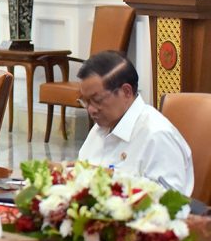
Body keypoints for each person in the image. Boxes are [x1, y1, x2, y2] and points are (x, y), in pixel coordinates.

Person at [77, 50, 193, 194]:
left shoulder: (157, 135)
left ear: (126, 92)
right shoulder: (101, 128)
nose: (91, 110)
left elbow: (171, 200)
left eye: (97, 100)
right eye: (85, 101)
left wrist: (112, 178)